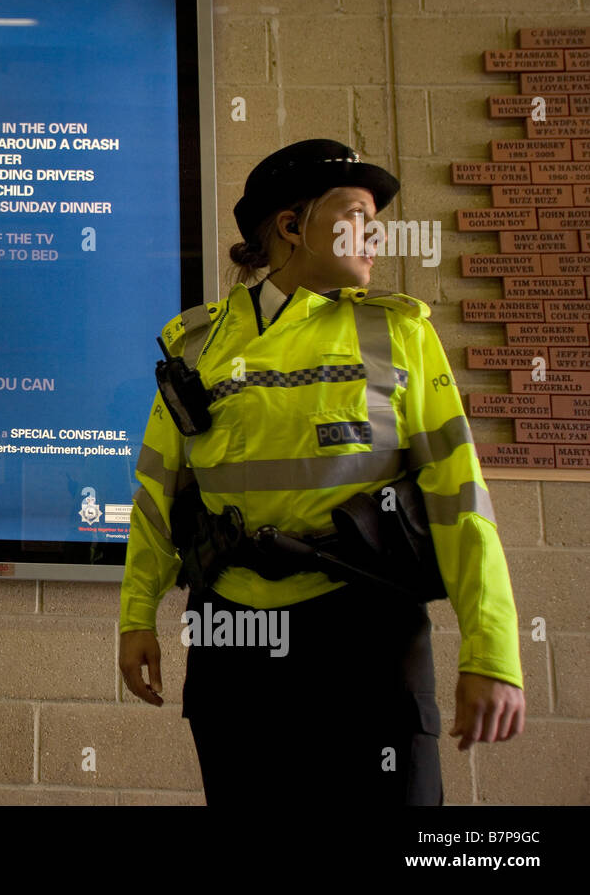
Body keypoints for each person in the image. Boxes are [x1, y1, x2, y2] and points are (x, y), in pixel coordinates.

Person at [119, 139, 524, 805]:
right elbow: (159, 496)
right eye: (356, 214)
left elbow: (459, 500)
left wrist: (493, 652)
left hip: (367, 635)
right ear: (290, 226)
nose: (375, 234)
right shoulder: (196, 345)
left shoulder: (398, 334)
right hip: (235, 640)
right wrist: (137, 618)